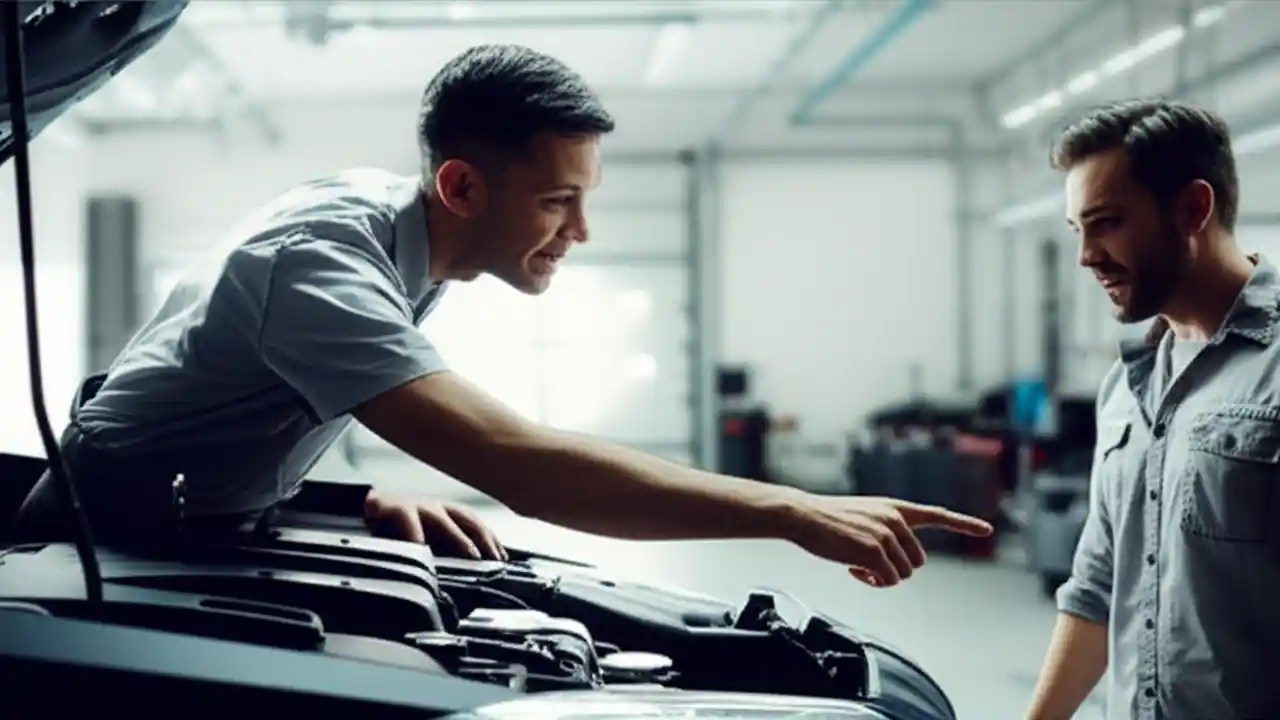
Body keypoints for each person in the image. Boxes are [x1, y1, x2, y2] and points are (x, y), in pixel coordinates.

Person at [11, 44, 991, 587]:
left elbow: (259, 390)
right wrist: (789, 508)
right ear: (462, 184)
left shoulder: (405, 228)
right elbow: (517, 466)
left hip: (208, 519)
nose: (581, 231)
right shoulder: (320, 264)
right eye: (558, 201)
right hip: (100, 549)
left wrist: (352, 499)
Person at [1025, 98, 1280, 720]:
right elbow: (1098, 586)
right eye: (1076, 230)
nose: (1086, 255)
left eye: (1106, 222)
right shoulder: (1126, 385)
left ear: (1193, 208)